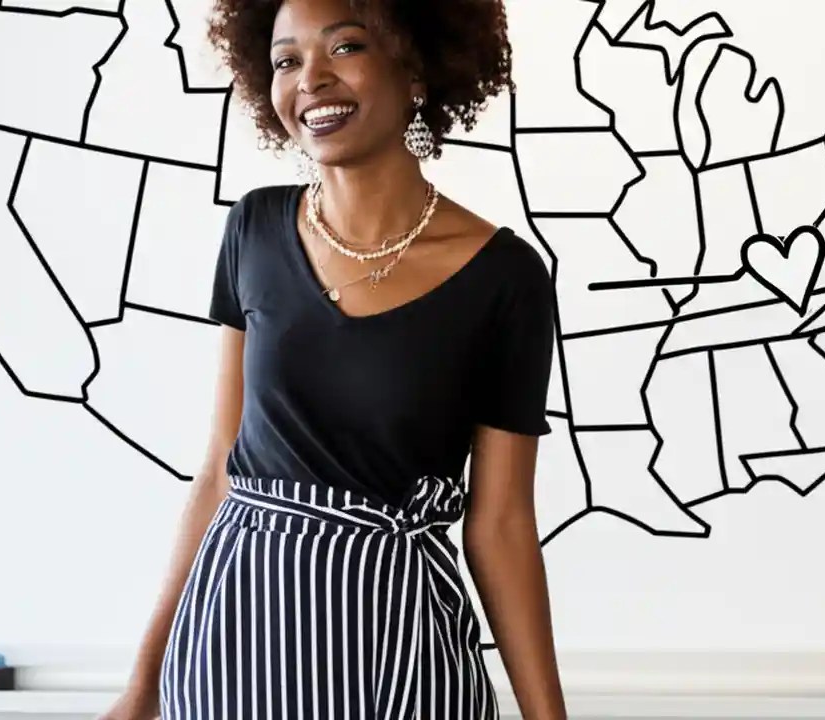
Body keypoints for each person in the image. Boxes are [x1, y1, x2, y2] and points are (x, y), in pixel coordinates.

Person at [98, 0, 566, 717]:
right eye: (286, 60)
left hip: (402, 645)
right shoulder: (253, 228)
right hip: (234, 642)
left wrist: (547, 717)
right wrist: (140, 689)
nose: (309, 79)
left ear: (417, 67)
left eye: (344, 48)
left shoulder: (506, 278)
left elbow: (500, 524)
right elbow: (223, 463)